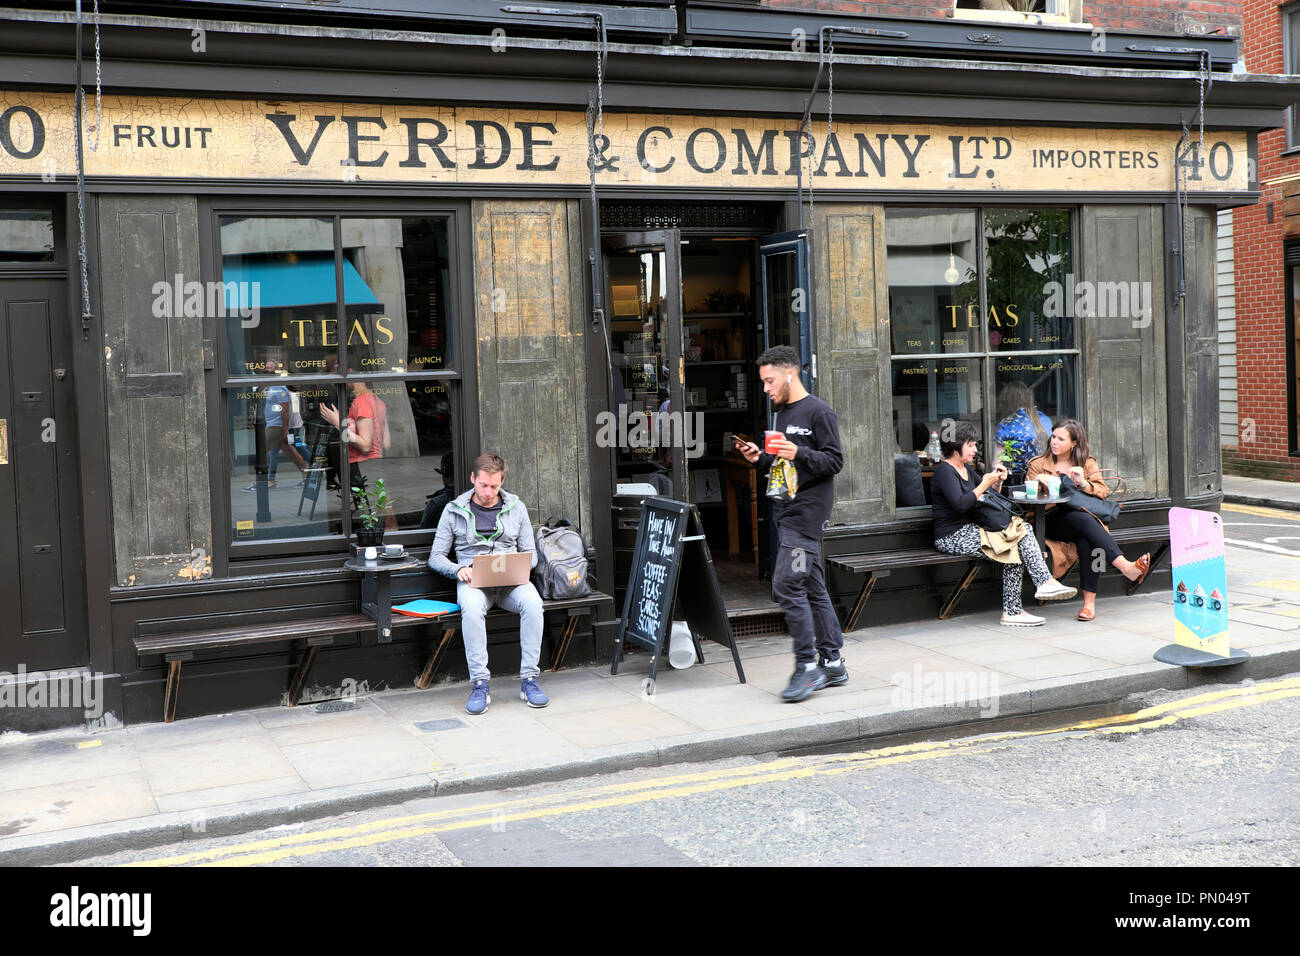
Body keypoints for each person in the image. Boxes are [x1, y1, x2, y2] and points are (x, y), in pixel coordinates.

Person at [735, 345, 845, 703]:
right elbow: (783, 465)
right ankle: (833, 661)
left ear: (789, 374)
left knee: (787, 585)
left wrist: (798, 452)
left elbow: (833, 461)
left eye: (769, 381)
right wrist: (760, 458)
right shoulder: (782, 412)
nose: (766, 388)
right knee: (812, 588)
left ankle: (807, 666)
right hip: (786, 511)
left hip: (806, 517)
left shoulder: (819, 411)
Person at [428, 453, 549, 715]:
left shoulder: (517, 507)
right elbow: (435, 557)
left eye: (494, 486)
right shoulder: (453, 510)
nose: (487, 492)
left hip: (510, 582)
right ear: (473, 479)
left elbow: (531, 553)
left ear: (502, 481)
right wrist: (459, 569)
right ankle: (480, 684)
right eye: (482, 485)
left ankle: (529, 680)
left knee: (533, 604)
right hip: (474, 581)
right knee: (471, 610)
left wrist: (517, 564)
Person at [930, 420, 1077, 626]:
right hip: (952, 536)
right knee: (1012, 549)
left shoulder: (965, 469)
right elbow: (961, 505)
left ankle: (1037, 588)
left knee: (1022, 528)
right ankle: (1023, 600)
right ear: (956, 445)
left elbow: (988, 497)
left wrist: (996, 482)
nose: (975, 449)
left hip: (973, 529)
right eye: (971, 444)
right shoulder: (945, 471)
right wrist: (984, 483)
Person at [1025, 419, 1151, 622]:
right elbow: (1030, 503)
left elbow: (1102, 491)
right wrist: (1041, 484)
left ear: (1074, 443)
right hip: (1047, 521)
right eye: (1053, 437)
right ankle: (1125, 567)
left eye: (1061, 438)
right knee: (1083, 519)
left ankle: (1088, 606)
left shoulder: (1086, 463)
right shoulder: (1039, 464)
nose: (1054, 442)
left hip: (1078, 520)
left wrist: (1082, 482)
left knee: (1088, 540)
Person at [319, 378, 388, 515]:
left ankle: (366, 518)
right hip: (366, 459)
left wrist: (338, 423)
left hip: (359, 457)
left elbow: (365, 445)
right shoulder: (374, 400)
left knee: (359, 488)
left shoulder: (362, 401)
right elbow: (386, 441)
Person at [244, 360, 305, 492]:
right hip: (276, 425)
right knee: (290, 451)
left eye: (270, 369)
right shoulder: (271, 385)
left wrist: (284, 429)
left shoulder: (278, 386)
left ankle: (264, 481)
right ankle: (307, 476)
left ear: (276, 370)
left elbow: (285, 409)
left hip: (276, 426)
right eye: (266, 368)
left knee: (263, 451)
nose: (267, 370)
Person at [994, 381, 1052, 481]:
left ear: (1006, 402)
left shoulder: (1006, 425)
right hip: (1047, 478)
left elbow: (997, 464)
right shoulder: (1045, 419)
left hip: (1019, 482)